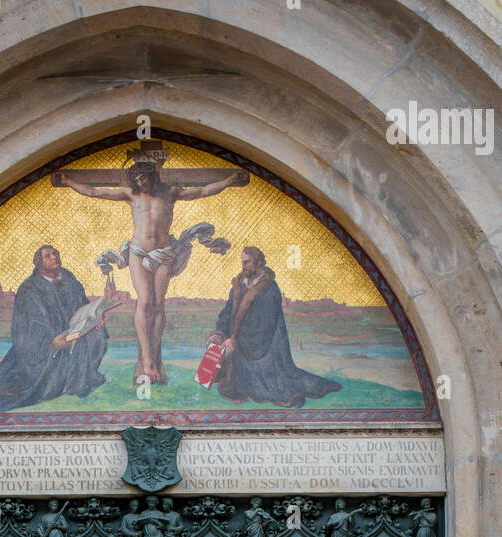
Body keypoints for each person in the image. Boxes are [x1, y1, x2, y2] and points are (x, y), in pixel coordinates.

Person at [56, 161, 242, 383]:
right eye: (137, 180)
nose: (141, 183)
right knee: (144, 302)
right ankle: (146, 359)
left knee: (157, 304)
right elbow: (94, 192)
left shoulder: (170, 193)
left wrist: (230, 181)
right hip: (139, 252)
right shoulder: (131, 195)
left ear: (152, 177)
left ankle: (155, 354)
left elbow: (202, 191)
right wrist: (68, 181)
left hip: (163, 253)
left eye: (144, 178)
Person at [0, 246, 108, 411]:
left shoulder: (69, 278)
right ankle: (62, 383)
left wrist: (95, 317)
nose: (54, 257)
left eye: (55, 254)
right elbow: (28, 325)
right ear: (39, 263)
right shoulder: (29, 288)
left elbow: (82, 304)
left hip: (73, 332)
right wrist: (52, 340)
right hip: (42, 345)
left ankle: (79, 381)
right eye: (48, 256)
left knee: (98, 334)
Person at [207, 247, 343, 408]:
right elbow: (228, 312)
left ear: (258, 263)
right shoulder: (238, 285)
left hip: (266, 349)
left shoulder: (269, 289)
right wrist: (220, 334)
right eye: (242, 262)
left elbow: (265, 324)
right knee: (229, 384)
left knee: (274, 388)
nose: (243, 266)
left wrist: (235, 341)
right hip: (240, 343)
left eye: (247, 262)